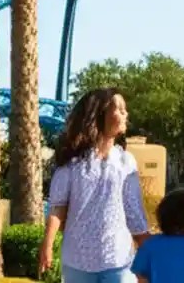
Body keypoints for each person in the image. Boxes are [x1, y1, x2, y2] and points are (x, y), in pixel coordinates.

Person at [39, 87, 151, 283]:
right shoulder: (72, 163)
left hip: (118, 260)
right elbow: (58, 207)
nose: (126, 114)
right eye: (120, 109)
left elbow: (134, 212)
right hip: (77, 262)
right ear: (100, 114)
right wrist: (47, 246)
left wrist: (150, 250)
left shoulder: (126, 161)